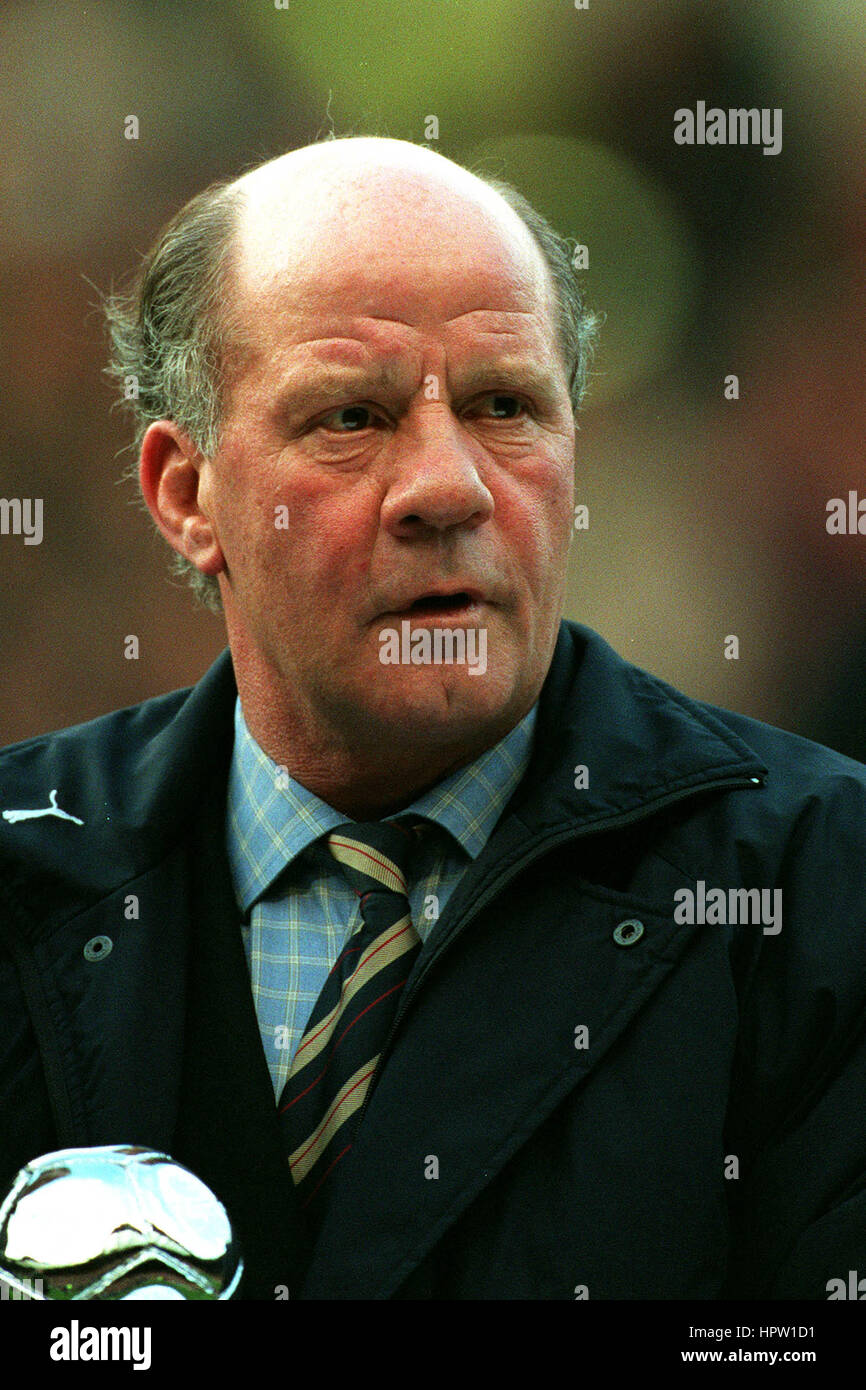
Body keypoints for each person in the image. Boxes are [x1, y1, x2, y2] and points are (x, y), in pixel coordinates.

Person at [1, 136, 865, 1301]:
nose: (448, 487)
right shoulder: (22, 869)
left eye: (504, 405)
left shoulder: (820, 886)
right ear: (185, 492)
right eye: (350, 417)